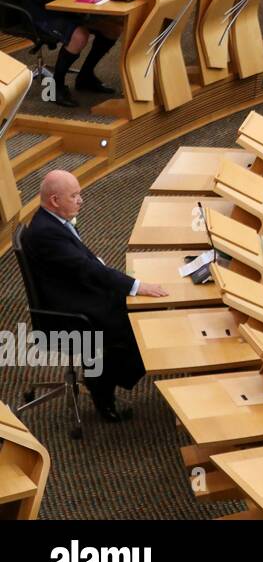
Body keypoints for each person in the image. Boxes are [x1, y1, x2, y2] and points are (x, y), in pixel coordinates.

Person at [23, 170, 168, 422]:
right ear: (55, 200)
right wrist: (135, 285)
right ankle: (100, 383)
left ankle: (100, 374)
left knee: (141, 317)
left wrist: (112, 275)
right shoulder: (45, 232)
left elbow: (81, 261)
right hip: (69, 313)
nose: (81, 200)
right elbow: (86, 269)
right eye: (75, 196)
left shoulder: (50, 221)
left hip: (74, 292)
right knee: (141, 330)